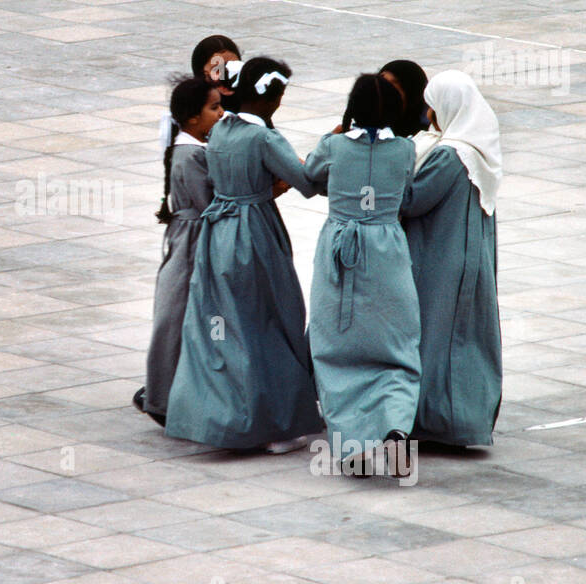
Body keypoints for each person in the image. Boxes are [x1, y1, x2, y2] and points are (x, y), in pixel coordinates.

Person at [166, 57, 324, 451]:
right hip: (255, 233)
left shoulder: (220, 133)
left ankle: (226, 417)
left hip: (218, 234)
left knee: (231, 327)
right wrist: (329, 147)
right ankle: (278, 424)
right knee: (275, 320)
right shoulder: (265, 139)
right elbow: (307, 182)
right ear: (270, 98)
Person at [304, 73, 420, 474]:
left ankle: (352, 443)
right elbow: (406, 195)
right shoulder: (406, 150)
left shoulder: (335, 146)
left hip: (340, 251)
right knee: (397, 351)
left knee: (336, 349)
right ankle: (395, 430)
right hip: (387, 253)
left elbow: (311, 176)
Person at [403, 70, 503, 447]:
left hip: (440, 262)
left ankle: (438, 418)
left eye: (432, 106)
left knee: (437, 337)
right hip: (466, 258)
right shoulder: (478, 150)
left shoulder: (448, 156)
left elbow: (412, 200)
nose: (429, 114)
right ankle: (466, 419)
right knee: (464, 339)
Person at [135, 78, 223, 426]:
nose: (221, 113)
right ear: (190, 119)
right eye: (214, 108)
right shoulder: (192, 155)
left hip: (187, 237)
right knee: (175, 318)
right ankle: (161, 396)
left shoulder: (189, 148)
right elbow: (209, 204)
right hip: (192, 243)